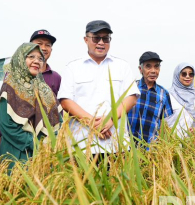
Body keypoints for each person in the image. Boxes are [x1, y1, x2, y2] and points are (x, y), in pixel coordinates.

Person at [57, 20, 139, 155]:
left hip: (116, 145)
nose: (101, 42)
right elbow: (66, 101)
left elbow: (131, 97)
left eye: (106, 38)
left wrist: (110, 119)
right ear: (86, 39)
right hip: (82, 145)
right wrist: (93, 123)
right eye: (96, 38)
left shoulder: (122, 66)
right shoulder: (72, 67)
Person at [0, 43, 62, 163]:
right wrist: (35, 144)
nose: (37, 61)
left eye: (40, 58)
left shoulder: (44, 89)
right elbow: (6, 125)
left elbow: (58, 120)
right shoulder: (10, 86)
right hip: (16, 153)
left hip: (44, 156)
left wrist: (49, 143)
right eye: (31, 57)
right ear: (20, 59)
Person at [127, 51, 173, 146]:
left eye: (156, 66)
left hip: (151, 149)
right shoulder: (131, 88)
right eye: (148, 66)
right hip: (127, 147)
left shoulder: (164, 94)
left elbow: (165, 124)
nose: (153, 71)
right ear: (140, 69)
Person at [167, 63, 195, 136]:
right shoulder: (168, 95)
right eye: (184, 74)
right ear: (177, 75)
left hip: (194, 141)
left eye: (191, 74)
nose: (187, 76)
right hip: (173, 141)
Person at [29, 29, 61, 96]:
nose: (43, 48)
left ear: (51, 50)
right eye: (39, 44)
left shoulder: (56, 77)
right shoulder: (16, 73)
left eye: (48, 45)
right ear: (29, 47)